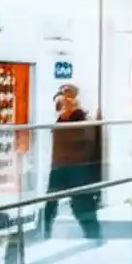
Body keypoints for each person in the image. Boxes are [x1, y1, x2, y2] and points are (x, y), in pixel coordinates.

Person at [44, 84, 103, 243]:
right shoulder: (60, 120)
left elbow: (89, 144)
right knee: (50, 205)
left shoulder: (81, 119)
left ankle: (94, 236)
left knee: (82, 205)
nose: (63, 101)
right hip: (58, 167)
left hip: (77, 168)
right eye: (62, 97)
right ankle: (45, 234)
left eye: (67, 97)